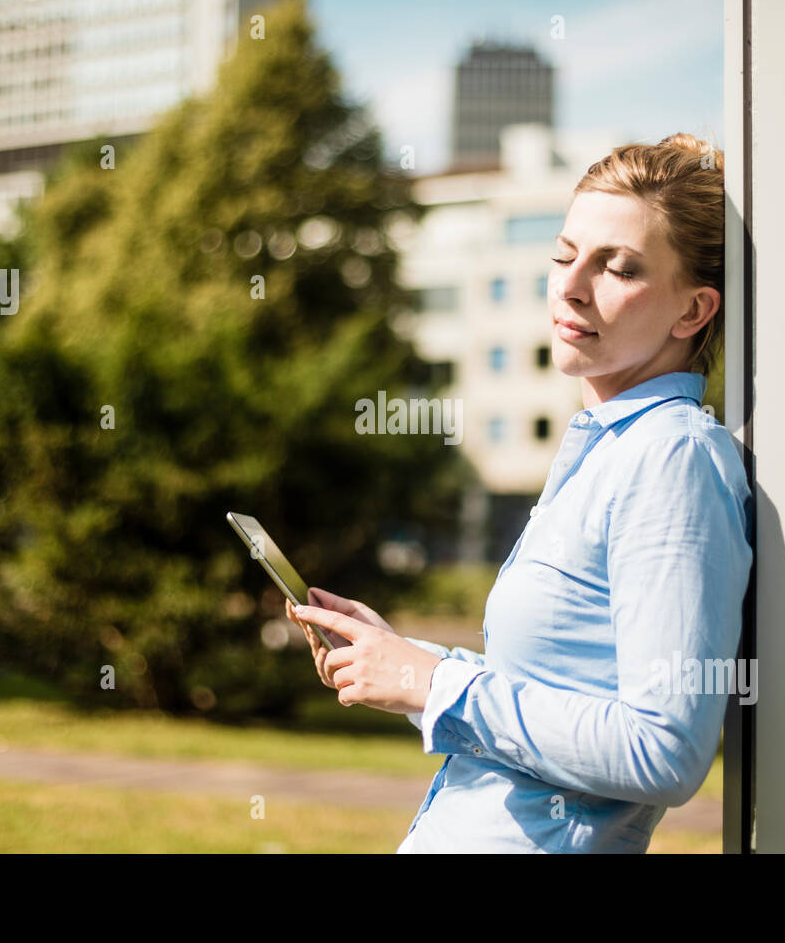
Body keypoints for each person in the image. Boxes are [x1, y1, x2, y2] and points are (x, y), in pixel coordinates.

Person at [286, 134, 753, 852]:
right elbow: (549, 687)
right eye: (565, 255)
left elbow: (665, 750)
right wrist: (400, 658)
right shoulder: (608, 450)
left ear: (692, 312)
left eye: (618, 268)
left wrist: (435, 685)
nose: (571, 286)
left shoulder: (673, 460)